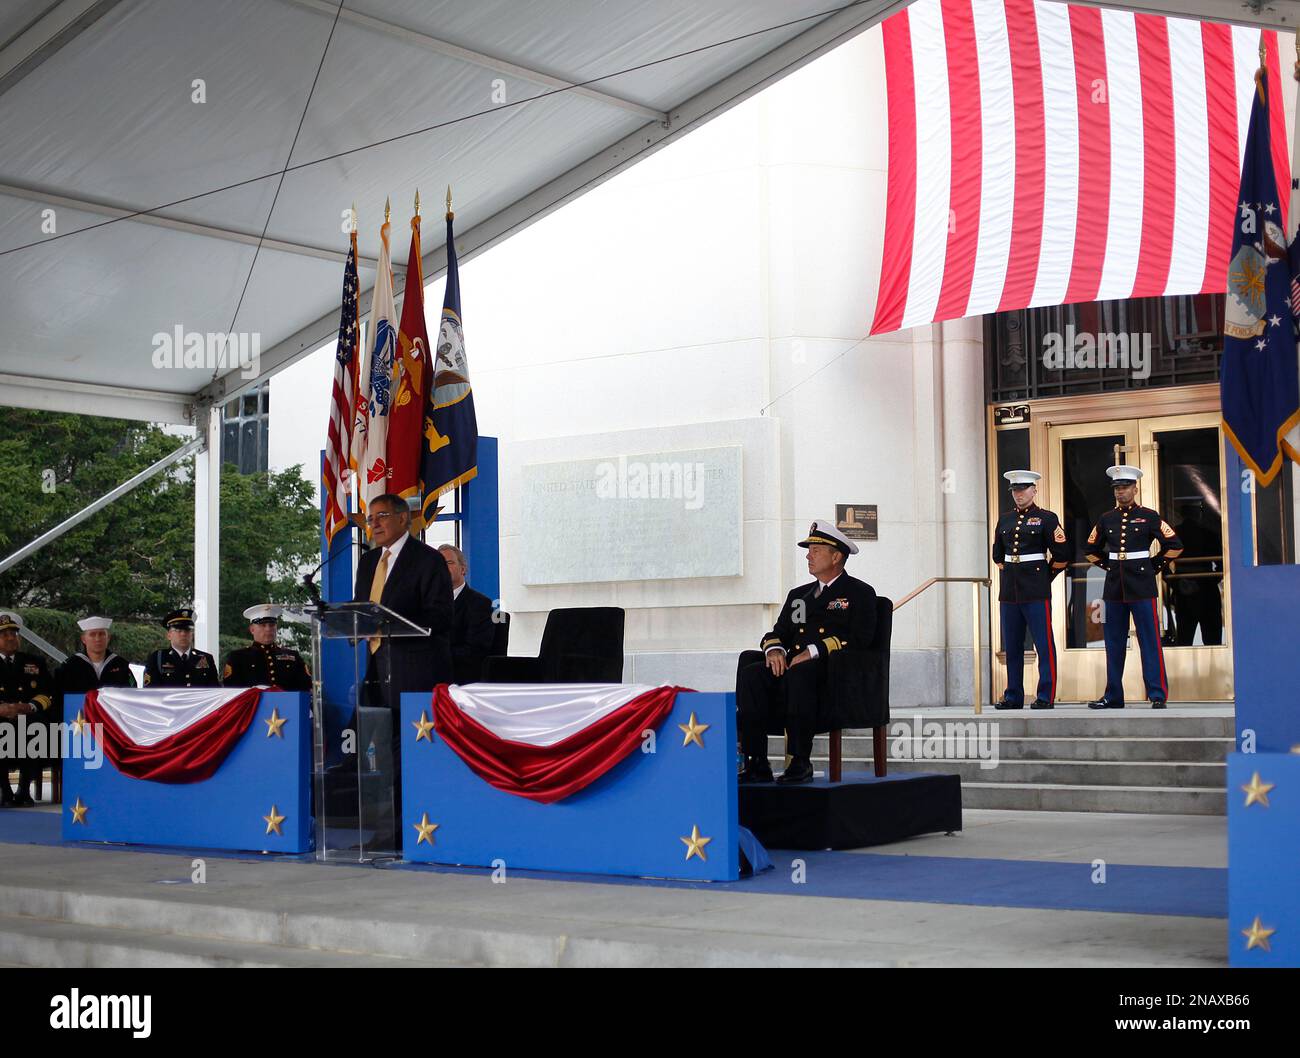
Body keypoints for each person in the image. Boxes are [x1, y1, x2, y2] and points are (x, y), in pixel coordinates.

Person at [735, 521, 878, 785]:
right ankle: (756, 762)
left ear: (836, 556)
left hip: (831, 675)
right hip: (793, 672)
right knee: (752, 671)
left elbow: (860, 639)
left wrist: (813, 651)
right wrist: (776, 650)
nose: (808, 556)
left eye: (815, 550)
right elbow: (779, 632)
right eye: (808, 550)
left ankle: (800, 762)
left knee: (802, 671)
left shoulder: (859, 593)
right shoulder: (799, 596)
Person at [352, 494, 454, 836]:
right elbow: (358, 611)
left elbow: (440, 616)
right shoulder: (368, 563)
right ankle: (381, 832)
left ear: (403, 519)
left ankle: (411, 831)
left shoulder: (426, 560)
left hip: (415, 673)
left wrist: (390, 623)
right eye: (370, 519)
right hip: (377, 671)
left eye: (381, 516)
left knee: (409, 756)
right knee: (378, 754)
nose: (374, 524)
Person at [1084, 466, 1183, 709]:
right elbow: (1090, 549)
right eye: (1117, 488)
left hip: (1142, 585)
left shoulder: (1149, 516)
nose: (1120, 492)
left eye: (1125, 487)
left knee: (1149, 640)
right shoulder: (1106, 518)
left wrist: (1154, 565)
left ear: (1135, 489)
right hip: (1114, 587)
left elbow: (1175, 545)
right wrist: (1108, 564)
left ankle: (1157, 693)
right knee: (1113, 643)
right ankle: (1113, 695)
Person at [991, 470, 1069, 710]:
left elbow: (1062, 554)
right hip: (1010, 591)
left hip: (1036, 590)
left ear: (1034, 490)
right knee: (1012, 646)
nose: (1018, 494)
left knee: (1043, 644)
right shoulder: (1004, 519)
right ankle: (1013, 695)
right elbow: (998, 555)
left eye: (1023, 489)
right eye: (1015, 490)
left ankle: (1045, 695)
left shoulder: (1046, 518)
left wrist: (1045, 577)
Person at [0, 611, 55, 807]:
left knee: (37, 728)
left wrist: (30, 706)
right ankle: (5, 790)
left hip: (28, 716)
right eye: (4, 635)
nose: (10, 638)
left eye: (13, 634)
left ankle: (24, 789)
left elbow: (49, 693)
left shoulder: (34, 662)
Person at [438, 544, 496, 684]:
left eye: (449, 563)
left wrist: (435, 656)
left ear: (463, 569)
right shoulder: (426, 602)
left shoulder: (480, 604)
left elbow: (475, 650)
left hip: (461, 678)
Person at [222, 604, 312, 690]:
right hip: (254, 705)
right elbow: (231, 689)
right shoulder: (238, 657)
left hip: (287, 704)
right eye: (263, 625)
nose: (268, 629)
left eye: (272, 625)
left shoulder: (293, 656)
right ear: (252, 629)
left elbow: (306, 686)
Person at [142, 608, 220, 687]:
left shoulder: (206, 658)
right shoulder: (157, 658)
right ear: (169, 635)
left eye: (187, 630)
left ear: (192, 634)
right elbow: (151, 692)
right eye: (178, 630)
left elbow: (215, 692)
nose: (183, 634)